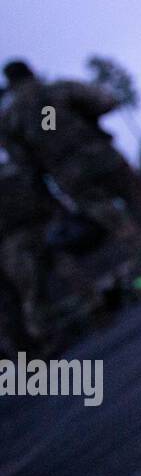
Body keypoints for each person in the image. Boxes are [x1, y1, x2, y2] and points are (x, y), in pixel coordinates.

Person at [0, 60, 141, 252]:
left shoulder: (10, 118)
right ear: (31, 71)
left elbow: (23, 163)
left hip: (69, 176)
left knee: (120, 226)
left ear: (11, 83)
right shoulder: (59, 89)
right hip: (103, 158)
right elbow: (106, 102)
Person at [0, 141, 55, 352]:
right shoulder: (12, 173)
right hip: (19, 238)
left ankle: (40, 336)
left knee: (29, 290)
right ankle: (38, 337)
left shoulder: (11, 173)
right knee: (29, 290)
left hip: (24, 234)